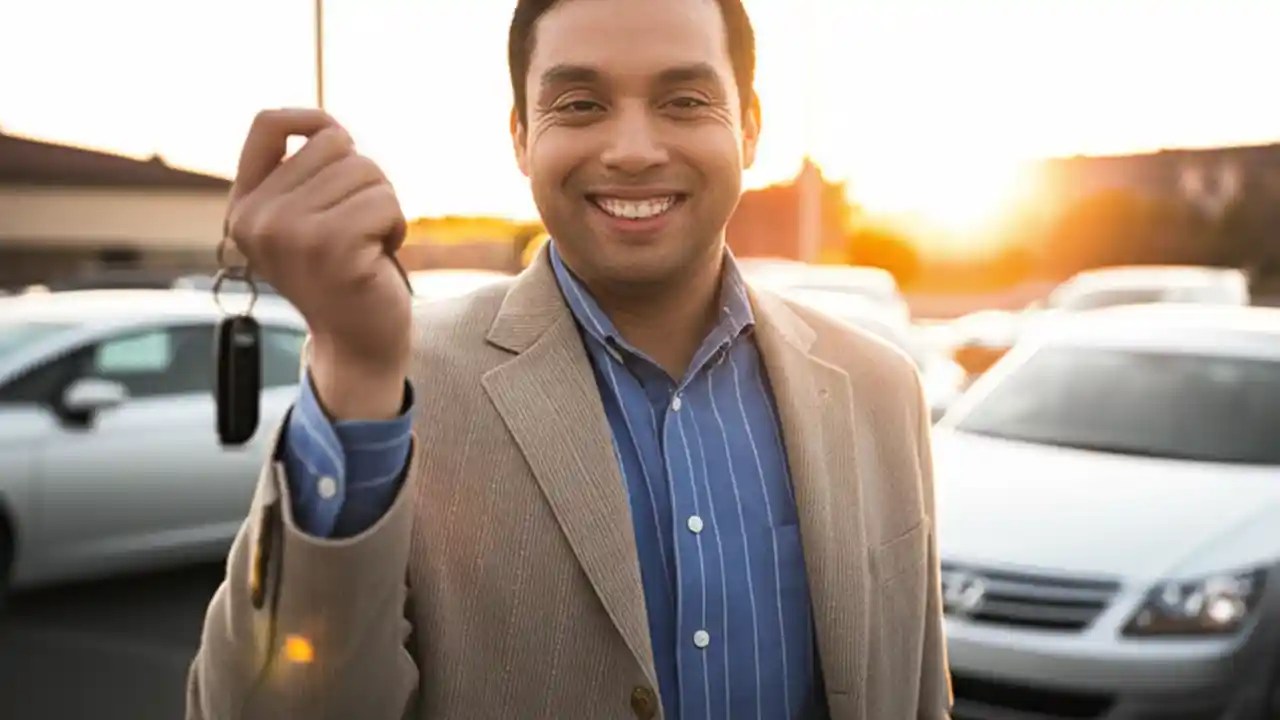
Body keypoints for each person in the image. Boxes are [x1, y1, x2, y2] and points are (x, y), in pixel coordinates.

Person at [186, 0, 952, 718]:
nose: (631, 150)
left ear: (749, 128)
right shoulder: (391, 388)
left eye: (684, 101)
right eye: (580, 104)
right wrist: (355, 371)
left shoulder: (880, 389)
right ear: (520, 135)